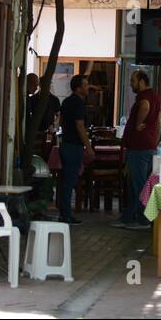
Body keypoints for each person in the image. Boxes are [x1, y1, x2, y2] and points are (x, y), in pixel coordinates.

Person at [115, 69, 159, 230]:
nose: (131, 84)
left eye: (133, 81)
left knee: (139, 185)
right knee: (141, 184)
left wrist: (138, 122)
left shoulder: (145, 97)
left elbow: (145, 107)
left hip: (139, 147)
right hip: (149, 146)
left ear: (141, 81)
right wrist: (155, 139)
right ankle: (129, 217)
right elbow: (158, 122)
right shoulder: (155, 95)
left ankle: (142, 219)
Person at [58, 74, 93, 224]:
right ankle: (66, 215)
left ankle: (63, 212)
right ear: (78, 88)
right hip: (74, 146)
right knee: (70, 181)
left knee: (65, 180)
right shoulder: (78, 103)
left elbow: (60, 121)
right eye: (85, 85)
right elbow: (80, 126)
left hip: (65, 143)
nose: (88, 87)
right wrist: (88, 147)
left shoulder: (66, 101)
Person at [22, 72, 59, 198]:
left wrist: (54, 126)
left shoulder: (54, 100)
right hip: (35, 135)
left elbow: (57, 116)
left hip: (50, 135)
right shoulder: (32, 99)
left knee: (49, 159)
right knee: (37, 159)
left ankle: (47, 188)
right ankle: (37, 188)